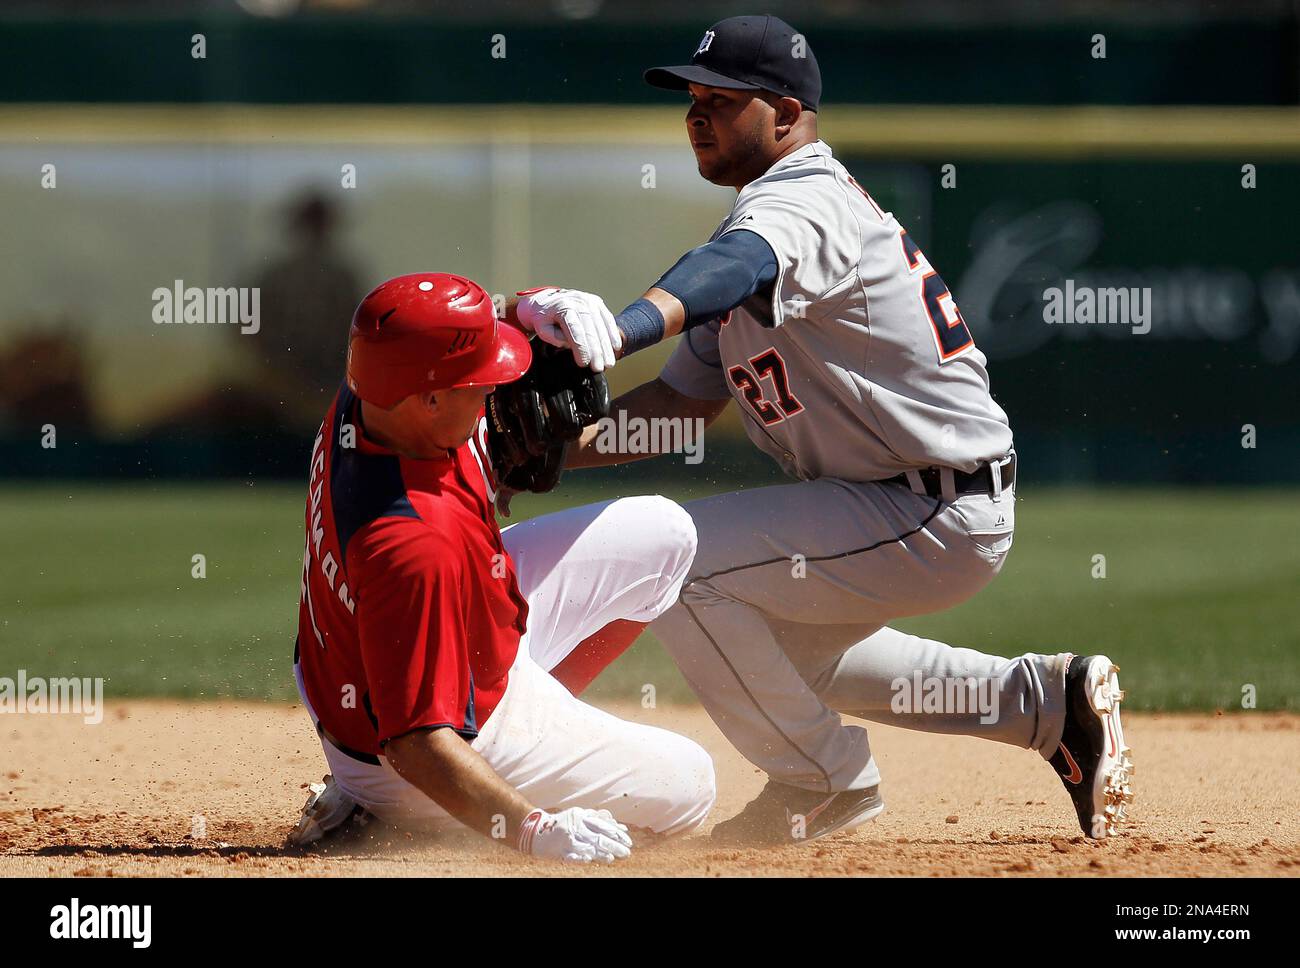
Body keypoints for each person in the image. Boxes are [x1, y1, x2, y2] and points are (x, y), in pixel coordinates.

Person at [512, 15, 1132, 847]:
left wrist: (621, 329)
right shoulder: (773, 216)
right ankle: (1047, 706)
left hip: (928, 507)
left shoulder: (801, 200)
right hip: (895, 500)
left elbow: (731, 268)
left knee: (680, 563)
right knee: (780, 654)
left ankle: (822, 781)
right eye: (693, 100)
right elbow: (679, 406)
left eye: (722, 101)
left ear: (787, 111)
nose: (698, 116)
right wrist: (552, 454)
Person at [287, 272, 715, 863]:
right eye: (480, 380)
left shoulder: (371, 394)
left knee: (664, 535)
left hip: (391, 664)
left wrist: (535, 306)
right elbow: (416, 742)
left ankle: (546, 739)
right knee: (692, 784)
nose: (498, 386)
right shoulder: (414, 544)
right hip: (407, 760)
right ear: (430, 398)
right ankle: (407, 809)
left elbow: (448, 322)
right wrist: (529, 828)